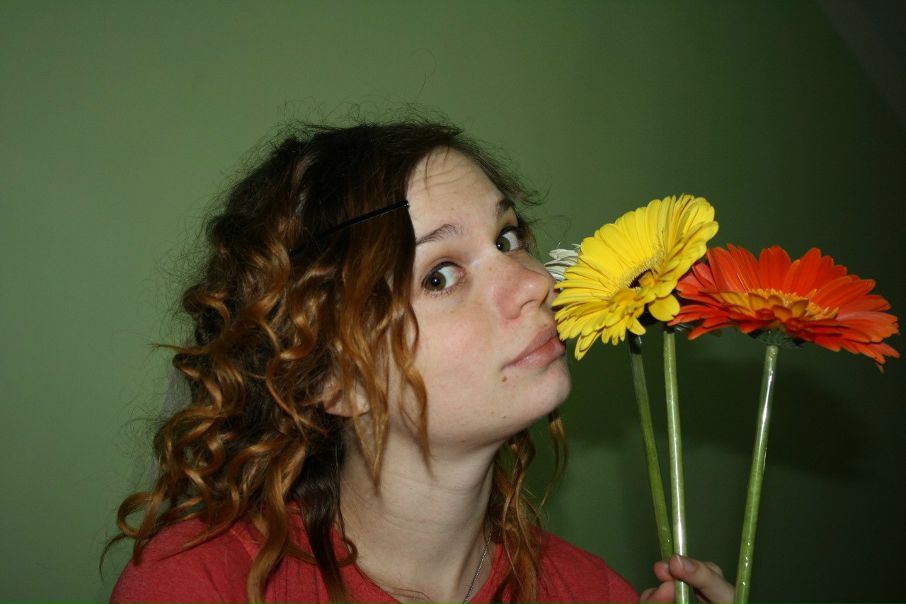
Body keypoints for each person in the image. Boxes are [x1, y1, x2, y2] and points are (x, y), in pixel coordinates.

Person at [108, 119, 733, 603]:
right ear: (333, 379)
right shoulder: (200, 584)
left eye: (508, 238)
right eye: (440, 276)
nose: (536, 282)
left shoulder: (593, 593)